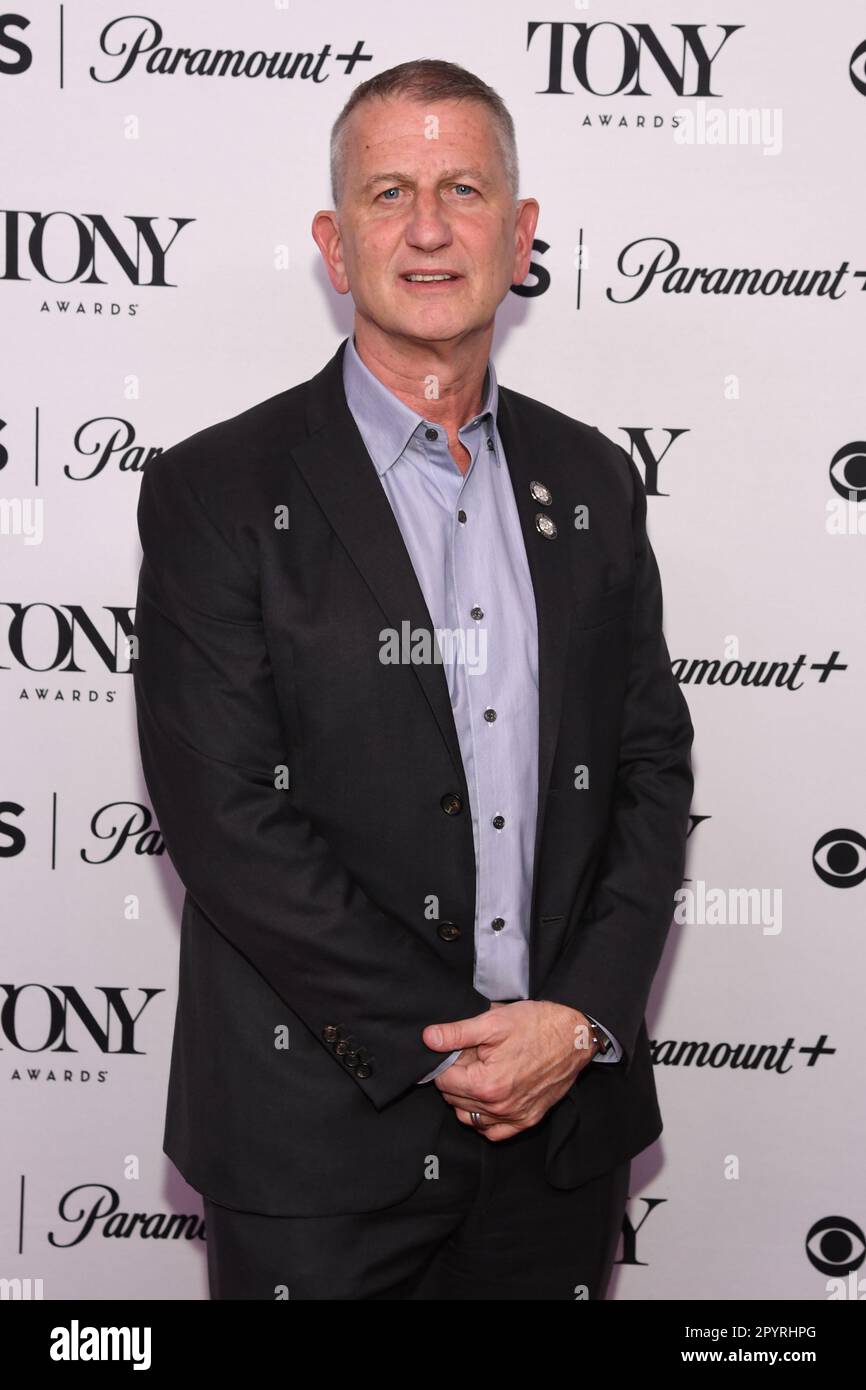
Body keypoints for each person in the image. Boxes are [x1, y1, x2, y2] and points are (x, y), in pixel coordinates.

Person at [132, 58, 694, 1300]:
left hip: (555, 1140)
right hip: (315, 1146)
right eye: (388, 193)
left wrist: (575, 1024)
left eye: (463, 188)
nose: (429, 227)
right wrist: (454, 1049)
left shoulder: (593, 482)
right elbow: (228, 821)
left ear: (521, 233)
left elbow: (651, 770)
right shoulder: (215, 491)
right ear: (335, 245)